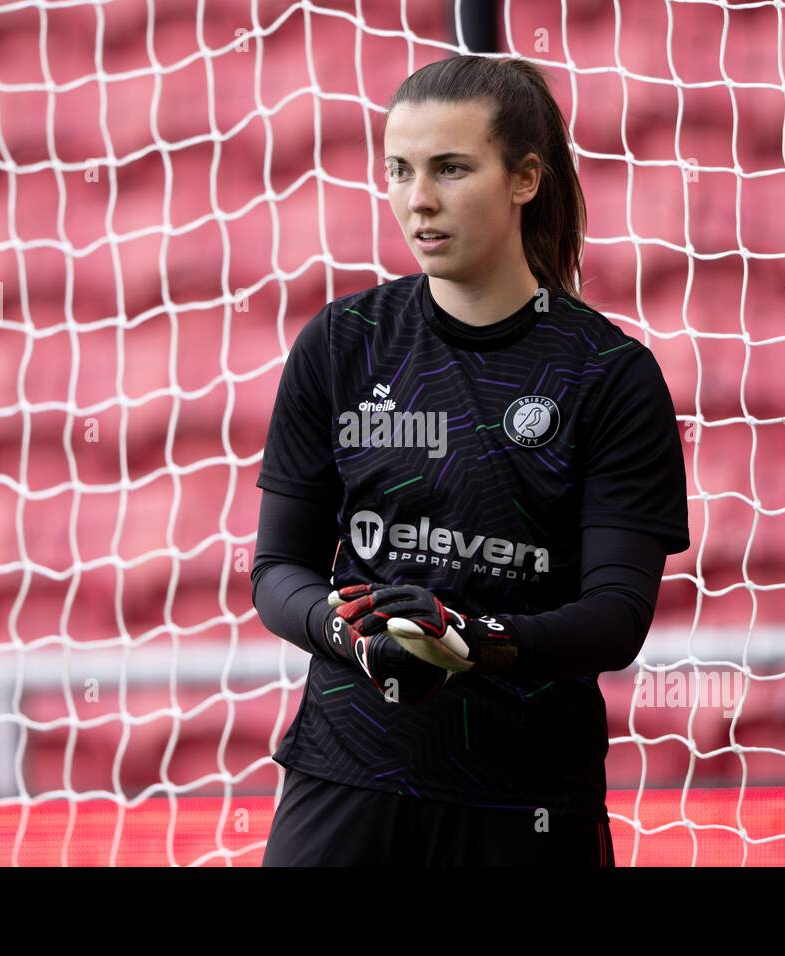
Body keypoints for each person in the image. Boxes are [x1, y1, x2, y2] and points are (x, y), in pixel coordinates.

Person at [251, 54, 689, 866]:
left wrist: (472, 639)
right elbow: (276, 570)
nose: (418, 200)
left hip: (526, 795)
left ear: (525, 178)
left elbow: (618, 616)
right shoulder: (343, 344)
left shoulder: (608, 375)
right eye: (399, 170)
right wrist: (352, 635)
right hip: (350, 772)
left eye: (451, 169)